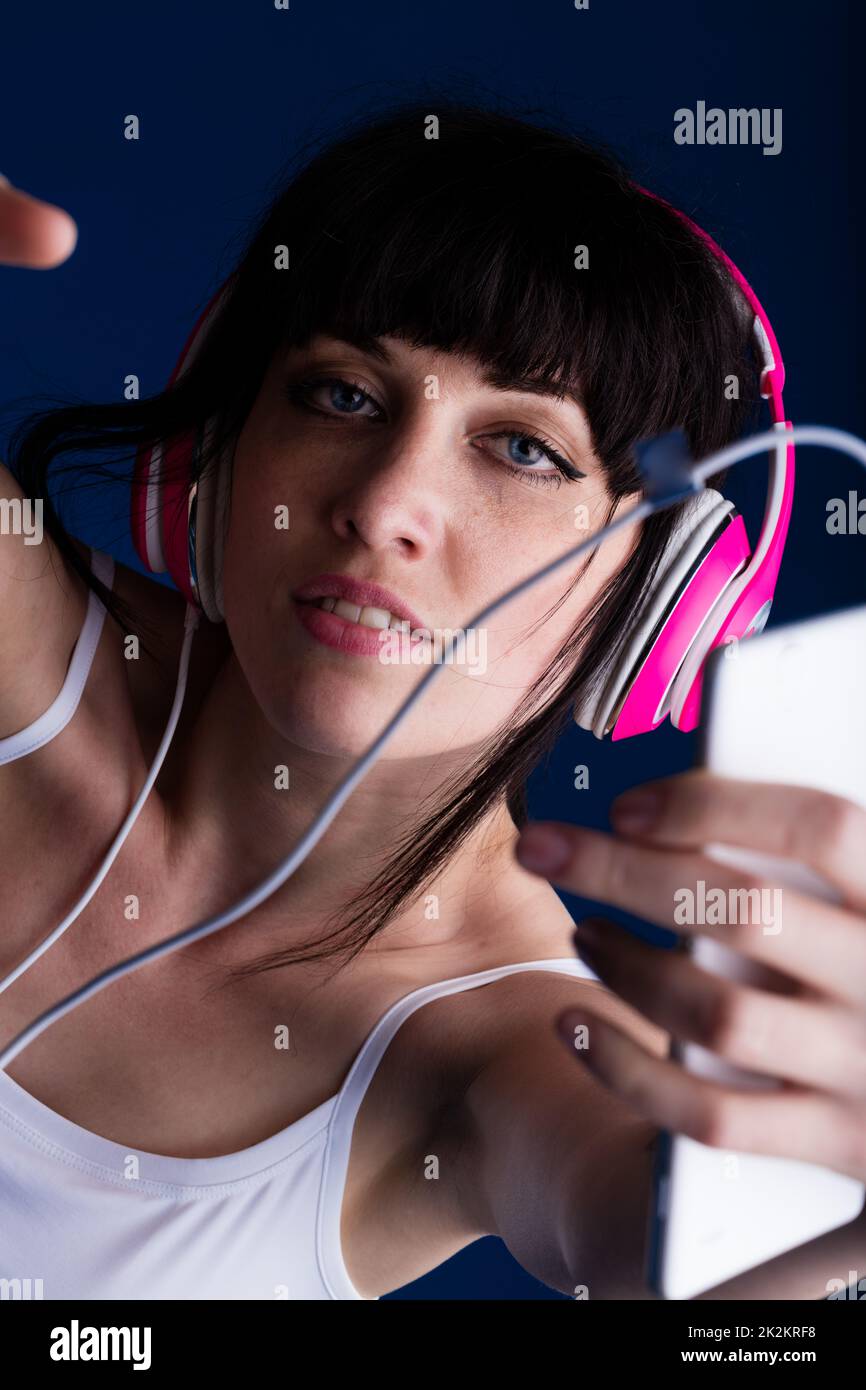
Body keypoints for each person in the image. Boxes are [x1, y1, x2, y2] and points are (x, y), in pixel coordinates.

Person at [0, 103, 864, 1301]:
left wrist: (822, 1183)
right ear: (217, 450)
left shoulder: (504, 1041)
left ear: (659, 601)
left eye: (522, 449)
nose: (385, 505)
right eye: (343, 394)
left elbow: (674, 1246)